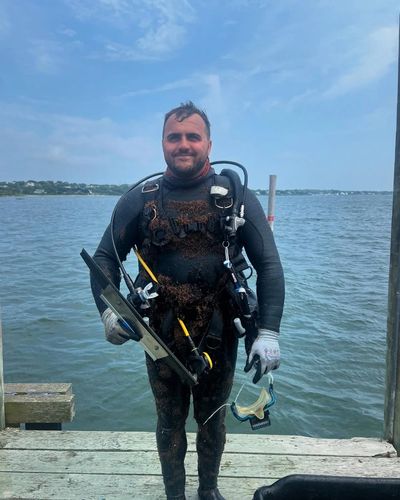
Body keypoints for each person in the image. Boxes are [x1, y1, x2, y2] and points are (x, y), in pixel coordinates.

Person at [89, 101, 285, 500]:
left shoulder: (235, 197)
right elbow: (104, 258)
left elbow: (269, 264)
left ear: (209, 143)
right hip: (159, 335)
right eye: (173, 137)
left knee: (212, 421)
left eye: (193, 136)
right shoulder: (139, 200)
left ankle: (208, 491)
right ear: (162, 143)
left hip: (220, 331)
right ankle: (174, 496)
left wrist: (268, 332)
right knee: (169, 422)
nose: (183, 144)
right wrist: (108, 311)